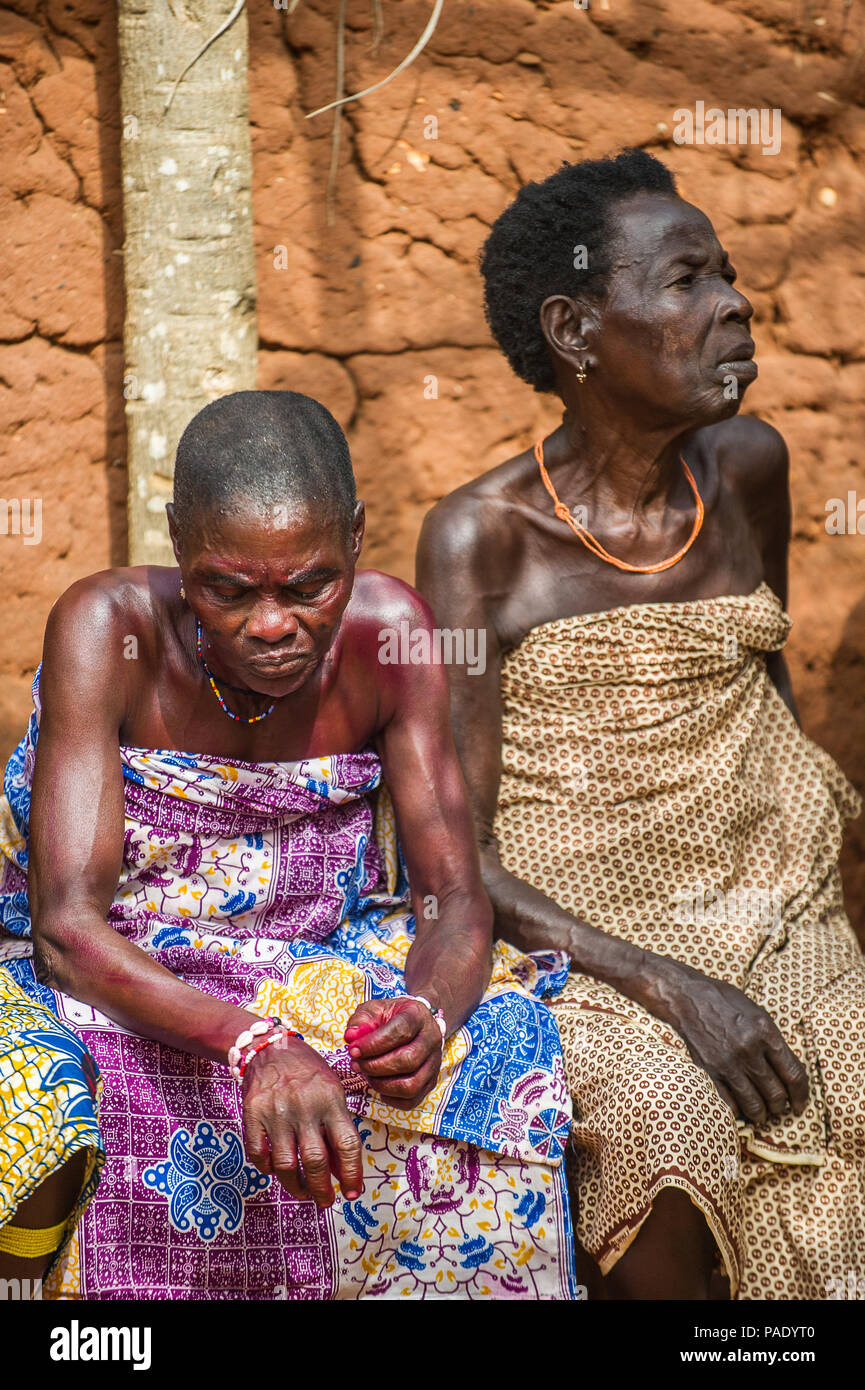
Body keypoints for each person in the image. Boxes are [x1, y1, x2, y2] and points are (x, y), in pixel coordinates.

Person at [0, 390, 574, 1300]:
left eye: (310, 587)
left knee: (498, 1044)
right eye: (228, 590)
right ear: (177, 545)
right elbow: (67, 932)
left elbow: (455, 897)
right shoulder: (108, 627)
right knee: (47, 1089)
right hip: (122, 963)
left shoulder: (391, 636)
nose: (271, 624)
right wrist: (252, 1043)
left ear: (355, 538)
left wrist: (424, 1015)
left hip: (315, 947)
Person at [415, 149, 865, 1301]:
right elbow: (460, 849)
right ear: (574, 330)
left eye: (727, 273)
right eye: (685, 280)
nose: (734, 304)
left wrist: (788, 880)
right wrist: (668, 985)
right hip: (582, 934)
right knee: (667, 1122)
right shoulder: (479, 537)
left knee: (854, 1081)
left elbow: (761, 694)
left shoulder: (747, 468)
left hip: (774, 901)